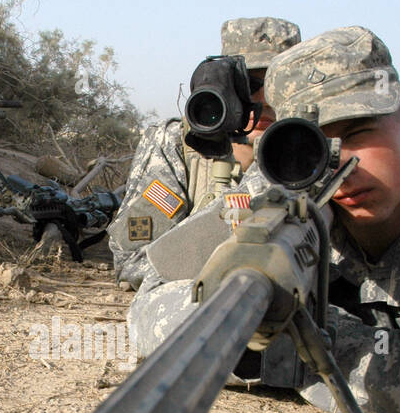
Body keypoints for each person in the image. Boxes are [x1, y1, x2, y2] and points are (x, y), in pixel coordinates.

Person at [127, 26, 400, 413]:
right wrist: (242, 308)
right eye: (313, 144)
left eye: (357, 132)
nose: (340, 168)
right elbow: (149, 300)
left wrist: (303, 339)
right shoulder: (284, 180)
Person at [108, 17, 301, 290]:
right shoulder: (179, 143)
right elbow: (132, 262)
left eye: (279, 85)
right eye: (251, 85)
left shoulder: (313, 151)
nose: (265, 101)